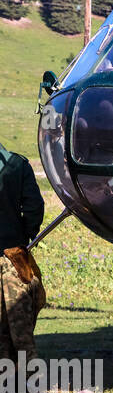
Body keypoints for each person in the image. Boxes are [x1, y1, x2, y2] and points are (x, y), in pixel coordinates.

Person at [0, 140, 45, 363]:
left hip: (11, 254)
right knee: (19, 324)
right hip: (13, 257)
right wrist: (25, 237)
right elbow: (34, 206)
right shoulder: (17, 165)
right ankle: (26, 374)